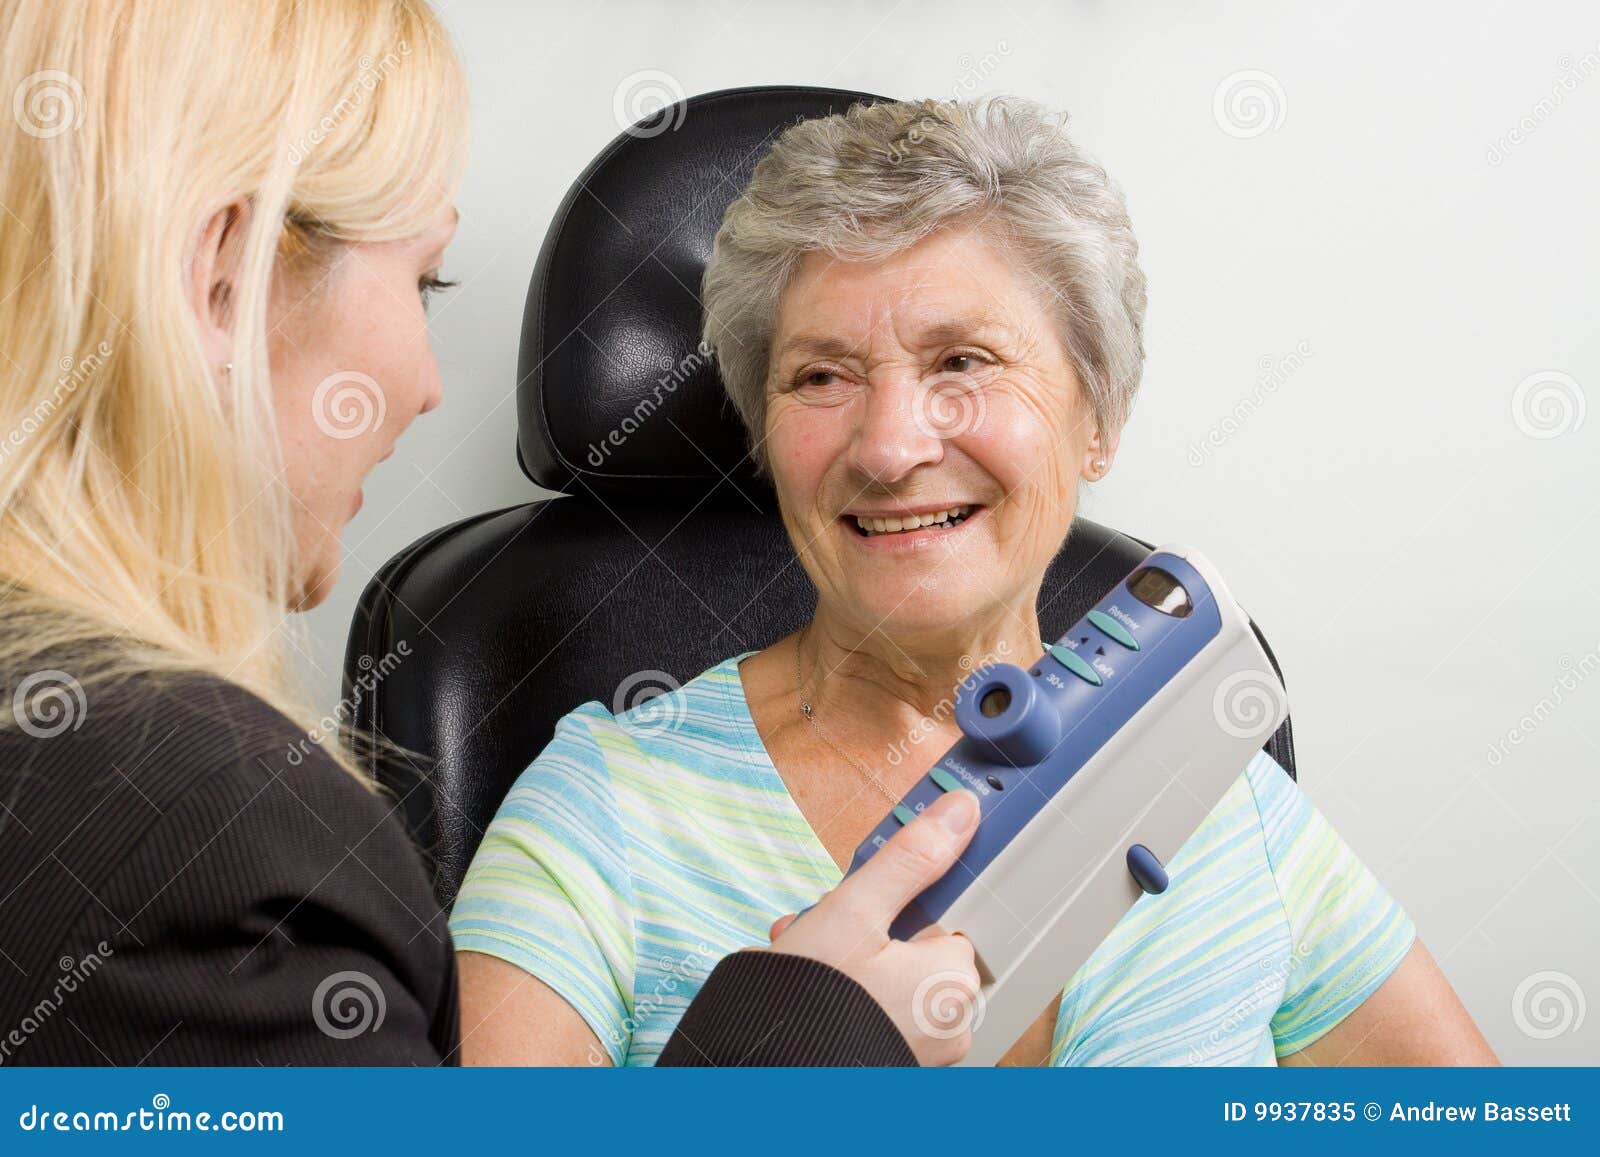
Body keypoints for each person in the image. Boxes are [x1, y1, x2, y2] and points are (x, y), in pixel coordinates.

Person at [0, 0, 978, 1067]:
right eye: (422, 281)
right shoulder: (217, 861)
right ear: (222, 278)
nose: (429, 384)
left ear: (1098, 415)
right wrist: (816, 1030)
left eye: (967, 363)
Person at [450, 96, 1499, 1067]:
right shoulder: (602, 815)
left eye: (964, 360)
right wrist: (799, 1043)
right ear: (766, 435)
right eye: (821, 374)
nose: (892, 444)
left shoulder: (1226, 796)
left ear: (1098, 418)